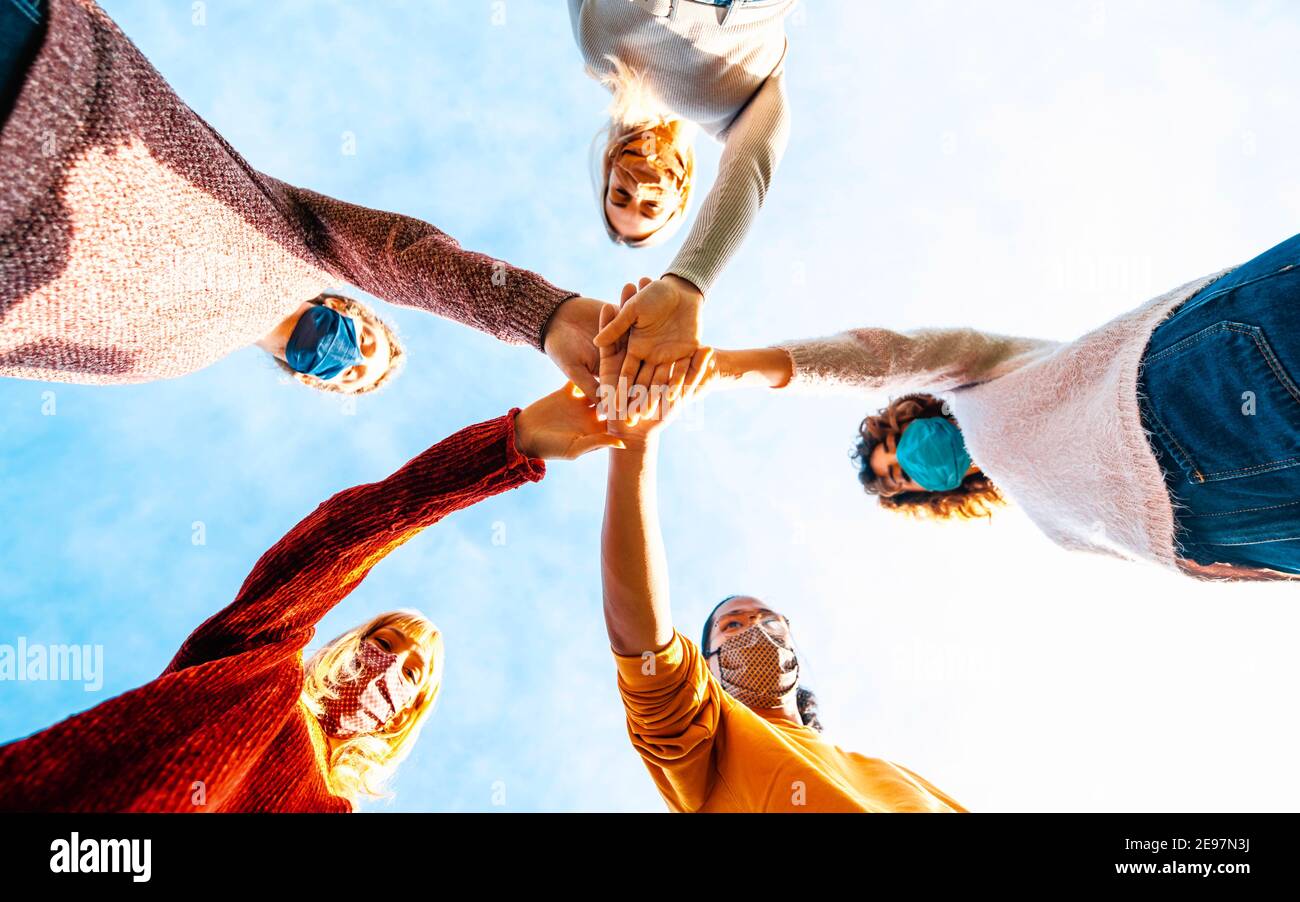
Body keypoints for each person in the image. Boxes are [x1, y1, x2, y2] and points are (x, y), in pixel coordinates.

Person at [0, 384, 626, 812]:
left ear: (408, 720)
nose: (392, 671)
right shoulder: (256, 660)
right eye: (384, 643)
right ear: (343, 646)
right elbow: (343, 536)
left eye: (413, 673)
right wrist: (507, 446)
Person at [0, 0, 609, 397]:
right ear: (354, 306)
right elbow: (407, 259)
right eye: (366, 344)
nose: (351, 357)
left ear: (312, 382)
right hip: (54, 83)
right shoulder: (300, 253)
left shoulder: (172, 361)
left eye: (351, 374)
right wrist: (543, 315)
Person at [699, 232, 1300, 580]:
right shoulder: (1044, 520)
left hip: (1175, 399)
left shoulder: (979, 380)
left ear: (909, 417)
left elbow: (884, 356)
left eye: (894, 449)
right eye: (899, 478)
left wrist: (726, 367)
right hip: (1230, 525)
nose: (906, 464)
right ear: (924, 495)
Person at [598, 284, 966, 812]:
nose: (754, 626)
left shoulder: (894, 777)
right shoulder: (705, 753)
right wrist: (633, 444)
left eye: (768, 617)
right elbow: (641, 639)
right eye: (732, 625)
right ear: (706, 669)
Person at [568, 0, 797, 401]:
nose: (638, 192)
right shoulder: (737, 116)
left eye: (620, 194)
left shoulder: (599, 55)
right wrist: (689, 281)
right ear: (681, 194)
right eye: (651, 208)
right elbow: (750, 167)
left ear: (609, 164)